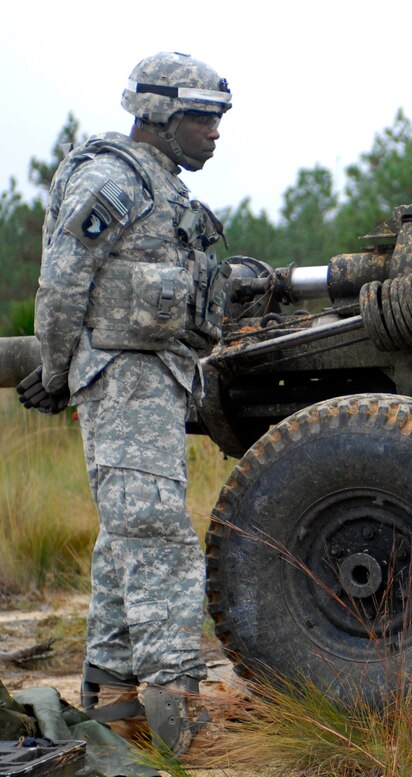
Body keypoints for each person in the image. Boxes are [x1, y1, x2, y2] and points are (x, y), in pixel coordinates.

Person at [17, 52, 232, 755]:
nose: (214, 133)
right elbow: (61, 283)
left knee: (124, 541)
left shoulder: (160, 187)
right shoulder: (113, 178)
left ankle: (113, 702)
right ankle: (178, 709)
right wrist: (56, 369)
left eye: (218, 119)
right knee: (160, 538)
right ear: (159, 114)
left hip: (156, 377)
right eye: (202, 118)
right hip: (124, 378)